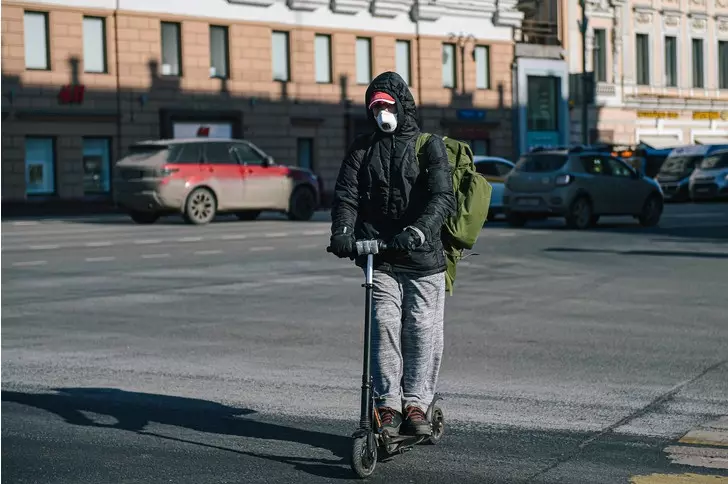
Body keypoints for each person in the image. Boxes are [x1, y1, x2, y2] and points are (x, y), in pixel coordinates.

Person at [328, 71, 456, 437]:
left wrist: (417, 231)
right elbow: (347, 196)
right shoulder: (361, 148)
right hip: (379, 256)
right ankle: (387, 405)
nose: (381, 112)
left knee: (421, 330)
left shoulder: (428, 145)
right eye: (375, 107)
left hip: (422, 257)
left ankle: (416, 403)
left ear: (401, 106)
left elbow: (442, 197)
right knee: (383, 327)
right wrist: (342, 233)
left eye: (386, 105)